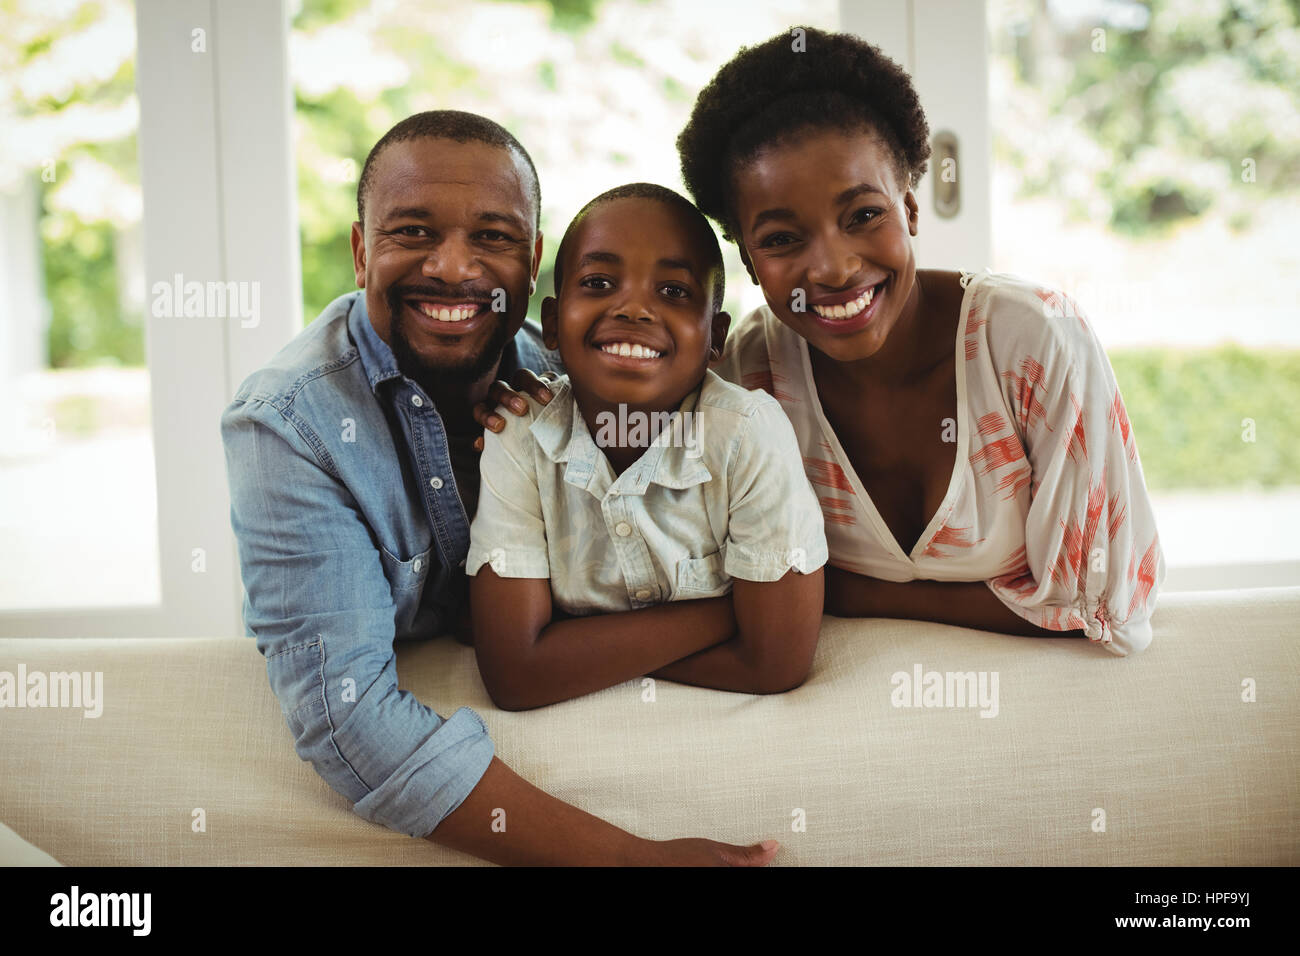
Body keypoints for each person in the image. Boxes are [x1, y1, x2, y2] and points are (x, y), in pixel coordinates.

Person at [220, 110, 780, 866]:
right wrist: (629, 860)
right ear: (360, 250)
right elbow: (348, 722)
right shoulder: (290, 425)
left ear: (532, 260)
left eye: (492, 237)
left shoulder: (578, 372)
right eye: (412, 232)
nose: (454, 268)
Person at [676, 27, 1165, 654]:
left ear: (909, 208)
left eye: (863, 216)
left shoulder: (1033, 340)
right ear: (747, 260)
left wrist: (852, 592)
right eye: (780, 239)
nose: (833, 268)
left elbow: (1106, 603)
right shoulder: (751, 371)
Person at [465, 184, 827, 711]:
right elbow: (514, 675)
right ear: (550, 324)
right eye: (598, 282)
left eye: (675, 291)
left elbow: (775, 662)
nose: (634, 307)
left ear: (715, 338)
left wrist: (571, 651)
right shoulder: (520, 432)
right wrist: (732, 615)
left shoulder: (746, 433)